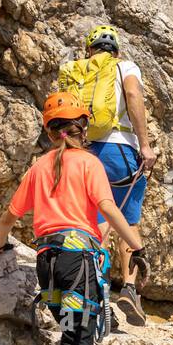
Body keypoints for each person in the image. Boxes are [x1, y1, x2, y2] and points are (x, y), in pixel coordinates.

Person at [0, 92, 144, 345]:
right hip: (80, 264)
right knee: (77, 343)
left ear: (49, 130)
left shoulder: (39, 168)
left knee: (81, 336)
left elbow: (10, 216)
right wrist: (137, 247)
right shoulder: (89, 164)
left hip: (48, 264)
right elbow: (108, 209)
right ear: (83, 127)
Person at [56, 24, 156, 326]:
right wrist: (146, 144)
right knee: (126, 220)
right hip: (120, 150)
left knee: (92, 220)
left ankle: (90, 290)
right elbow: (132, 94)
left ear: (89, 50)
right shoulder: (124, 66)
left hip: (82, 150)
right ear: (116, 51)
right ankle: (128, 288)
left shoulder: (76, 71)